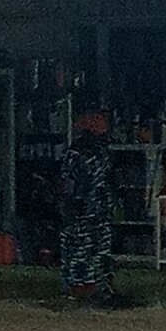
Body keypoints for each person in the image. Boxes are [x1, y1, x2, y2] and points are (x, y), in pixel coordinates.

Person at [59, 112, 114, 306]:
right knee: (80, 249)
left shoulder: (102, 151)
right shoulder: (76, 153)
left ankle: (98, 285)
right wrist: (70, 205)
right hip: (81, 210)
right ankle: (79, 288)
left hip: (99, 210)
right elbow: (68, 183)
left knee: (99, 249)